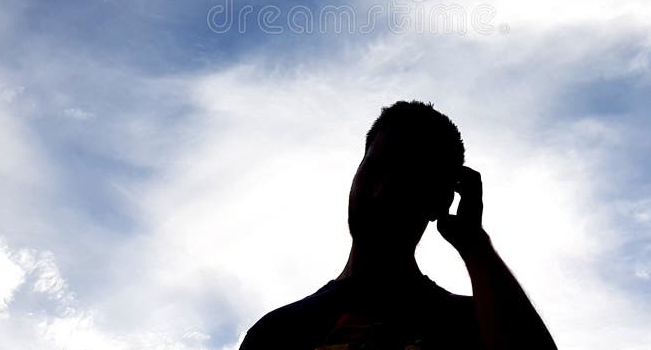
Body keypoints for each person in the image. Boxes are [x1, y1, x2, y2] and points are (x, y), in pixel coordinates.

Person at [238, 100, 558, 350]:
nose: (381, 190)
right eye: (375, 167)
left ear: (440, 202)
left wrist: (474, 243)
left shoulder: (473, 323)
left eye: (407, 178)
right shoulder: (278, 331)